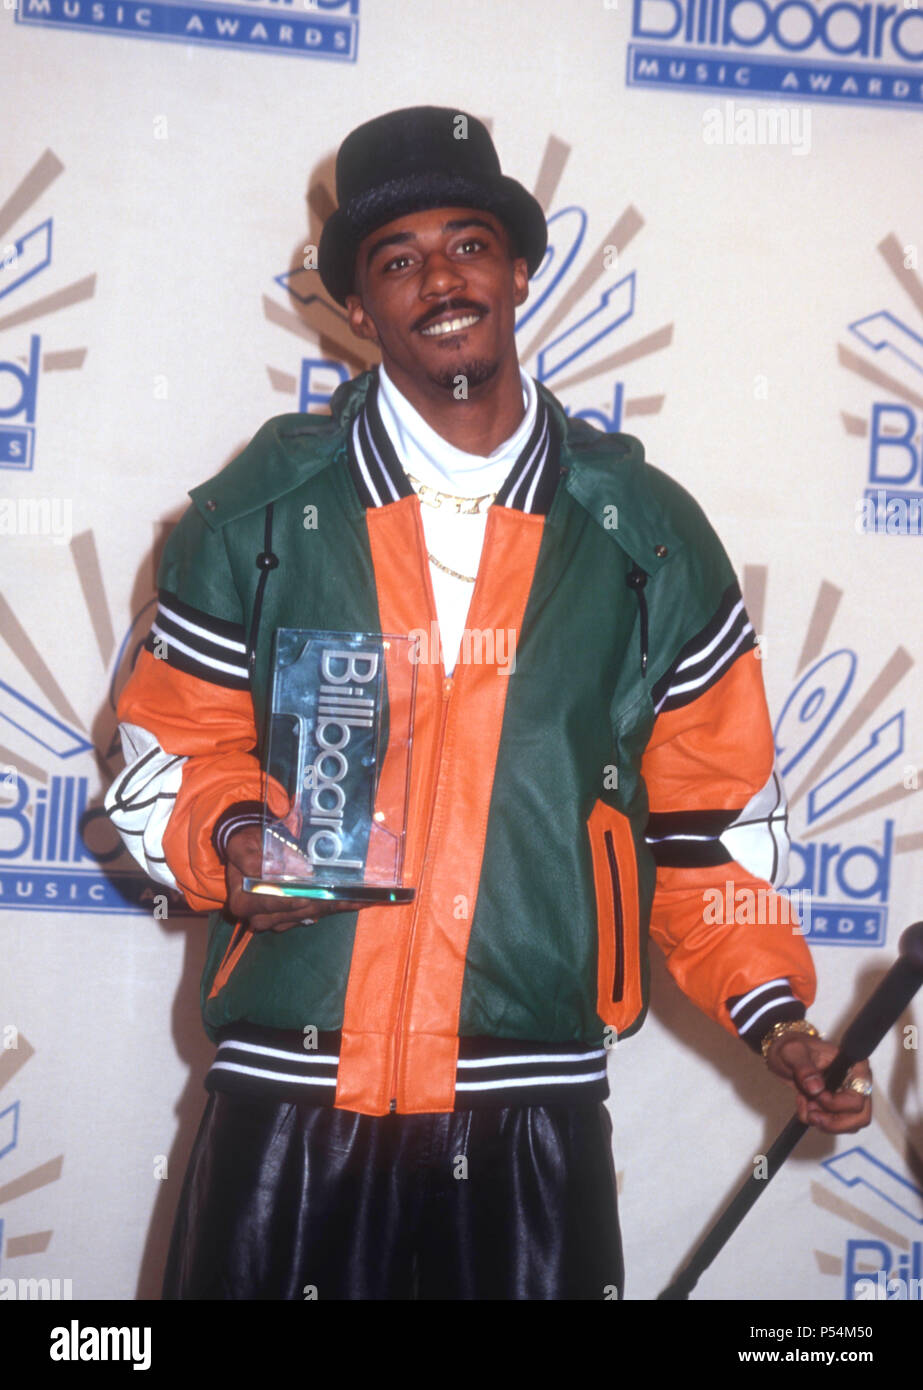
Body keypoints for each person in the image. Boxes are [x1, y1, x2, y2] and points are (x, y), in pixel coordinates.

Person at [105, 106, 872, 1301]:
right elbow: (162, 764)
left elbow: (705, 828)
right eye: (396, 259)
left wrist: (776, 1020)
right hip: (295, 1097)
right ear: (355, 309)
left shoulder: (647, 535)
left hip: (530, 1110)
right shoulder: (256, 511)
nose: (440, 279)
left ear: (519, 267)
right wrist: (234, 838)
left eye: (468, 242)